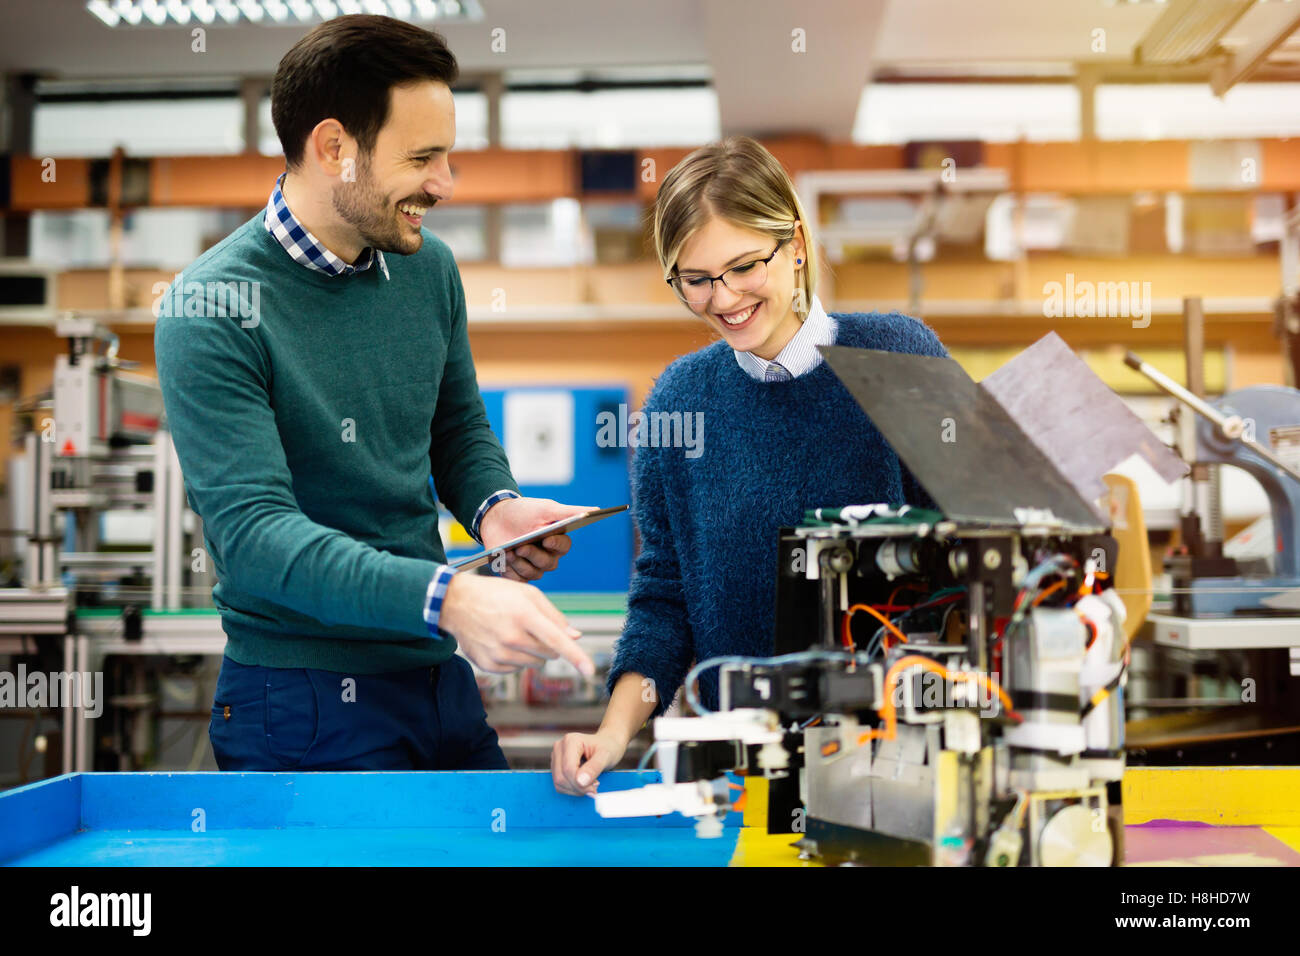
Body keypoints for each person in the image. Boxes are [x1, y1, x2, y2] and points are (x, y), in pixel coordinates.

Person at [155, 15, 595, 772]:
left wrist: (495, 508)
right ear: (334, 149)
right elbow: (257, 540)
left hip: (433, 676)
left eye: (449, 156)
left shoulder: (428, 271)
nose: (445, 185)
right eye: (423, 157)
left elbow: (456, 431)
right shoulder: (212, 307)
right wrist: (448, 598)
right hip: (299, 698)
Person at [552, 136, 947, 795]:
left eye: (742, 267)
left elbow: (983, 551)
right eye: (695, 279)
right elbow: (666, 595)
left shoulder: (901, 358)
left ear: (794, 243)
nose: (724, 298)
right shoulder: (679, 400)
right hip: (738, 771)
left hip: (897, 765)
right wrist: (614, 733)